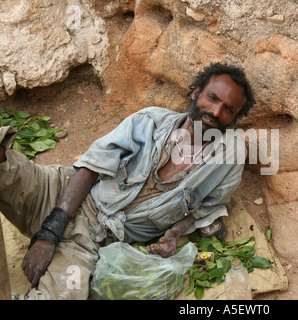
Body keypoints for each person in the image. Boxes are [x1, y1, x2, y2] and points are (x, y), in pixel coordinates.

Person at [0, 62, 255, 299]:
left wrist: (174, 235)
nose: (215, 111)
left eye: (228, 110)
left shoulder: (228, 159)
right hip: (62, 192)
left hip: (94, 239)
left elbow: (201, 210)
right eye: (212, 98)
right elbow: (90, 170)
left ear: (234, 119)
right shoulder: (149, 121)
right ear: (195, 92)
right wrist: (49, 233)